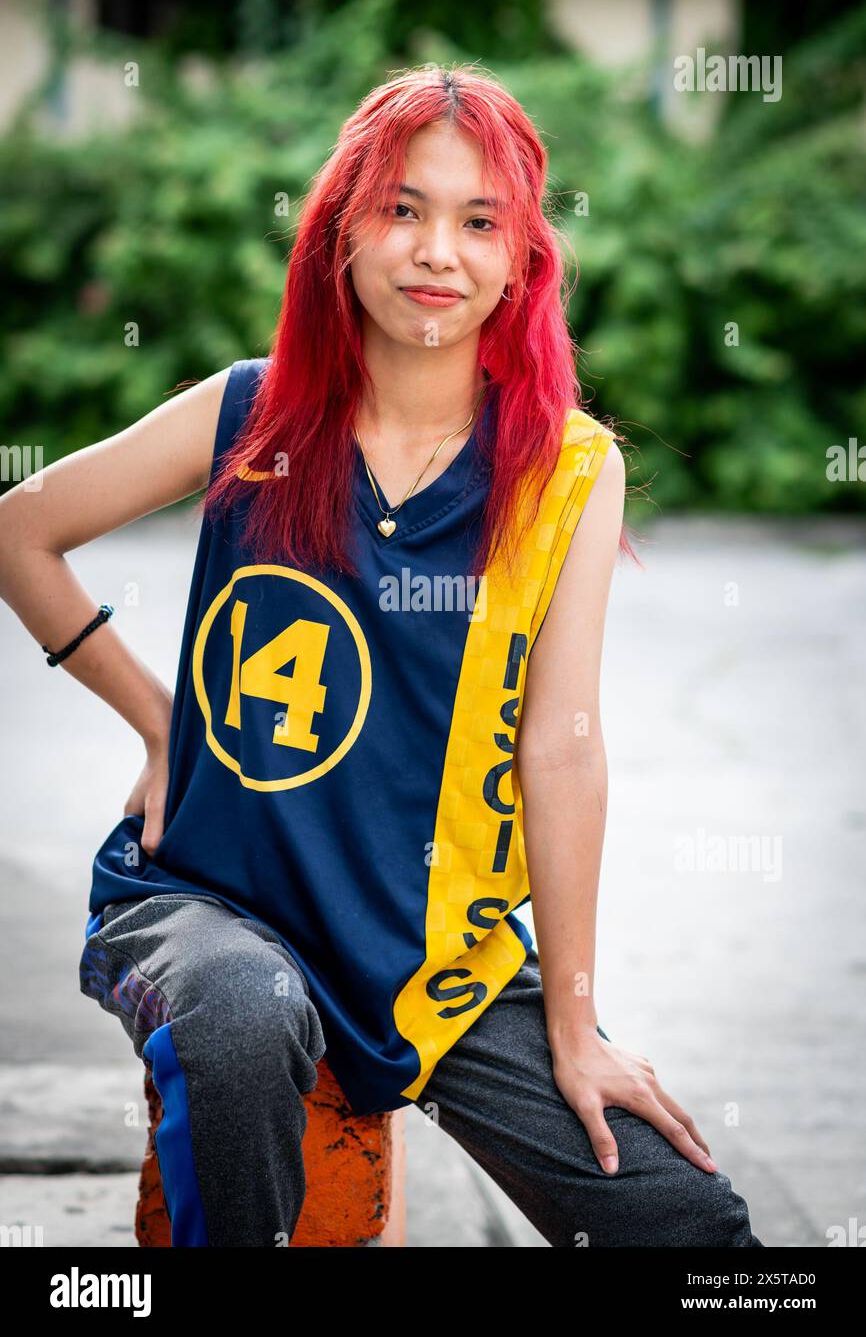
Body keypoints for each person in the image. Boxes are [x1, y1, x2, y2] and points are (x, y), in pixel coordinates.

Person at [0, 63, 763, 1248]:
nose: (434, 252)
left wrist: (574, 1023)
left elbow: (559, 751)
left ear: (521, 259)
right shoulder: (248, 416)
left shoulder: (566, 471)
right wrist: (162, 724)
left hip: (433, 958)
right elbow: (20, 531)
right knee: (242, 1018)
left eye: (477, 221)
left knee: (691, 1230)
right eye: (400, 209)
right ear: (340, 231)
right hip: (208, 902)